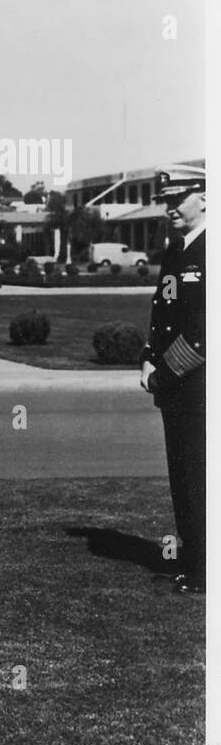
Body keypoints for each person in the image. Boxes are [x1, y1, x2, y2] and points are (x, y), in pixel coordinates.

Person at [140, 164, 206, 595]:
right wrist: (147, 357)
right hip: (173, 384)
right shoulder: (175, 249)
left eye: (177, 200)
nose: (170, 209)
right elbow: (162, 312)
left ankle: (206, 568)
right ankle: (194, 559)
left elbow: (205, 331)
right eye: (165, 202)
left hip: (201, 385)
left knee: (202, 475)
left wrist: (165, 372)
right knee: (181, 475)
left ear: (205, 198)